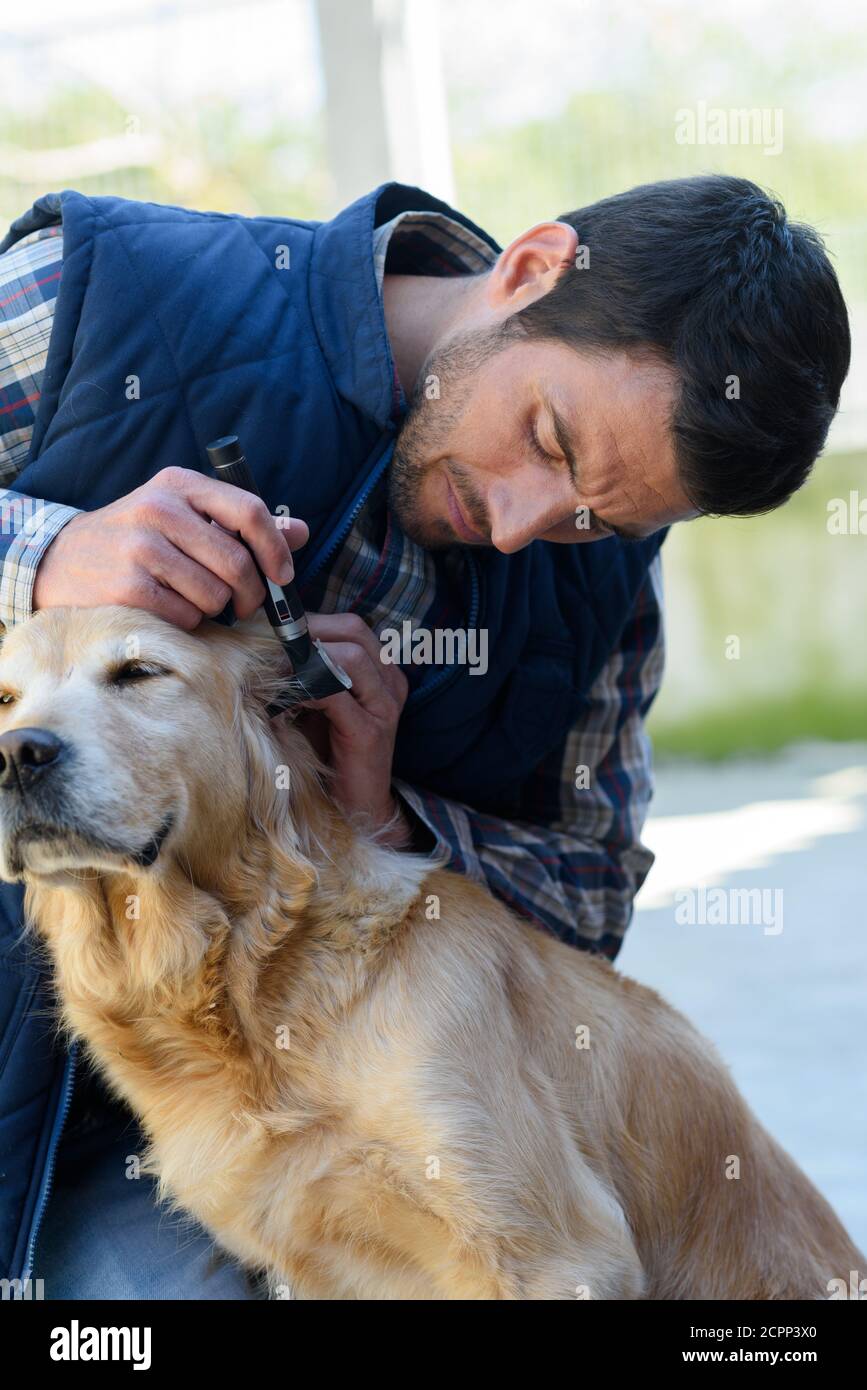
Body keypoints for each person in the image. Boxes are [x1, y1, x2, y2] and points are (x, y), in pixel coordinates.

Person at [0, 175, 850, 1298]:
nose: (517, 525)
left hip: (254, 1117)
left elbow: (585, 898)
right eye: (545, 437)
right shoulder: (98, 295)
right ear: (533, 268)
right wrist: (39, 554)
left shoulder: (607, 590)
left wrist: (383, 812)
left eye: (593, 514)